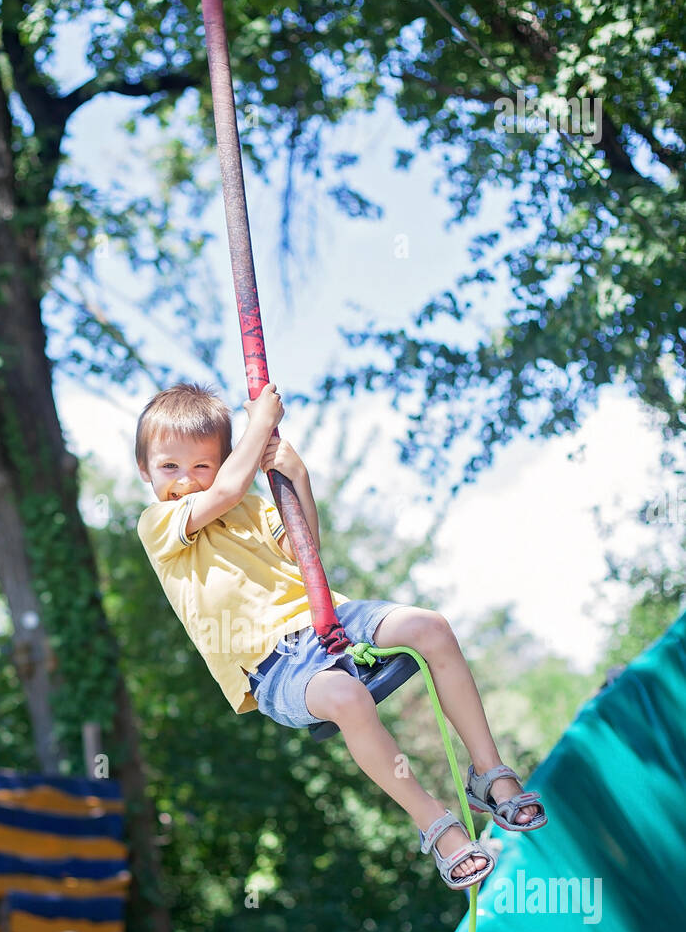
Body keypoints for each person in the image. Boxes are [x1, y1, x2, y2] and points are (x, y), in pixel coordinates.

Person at [135, 380, 546, 889]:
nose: (187, 482)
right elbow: (225, 492)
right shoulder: (160, 521)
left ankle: (489, 774)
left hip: (328, 620)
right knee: (347, 695)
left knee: (431, 628)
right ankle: (435, 824)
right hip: (275, 667)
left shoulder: (253, 508)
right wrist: (260, 421)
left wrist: (297, 474)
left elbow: (304, 549)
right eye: (169, 468)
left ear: (222, 461)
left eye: (202, 466)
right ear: (145, 471)